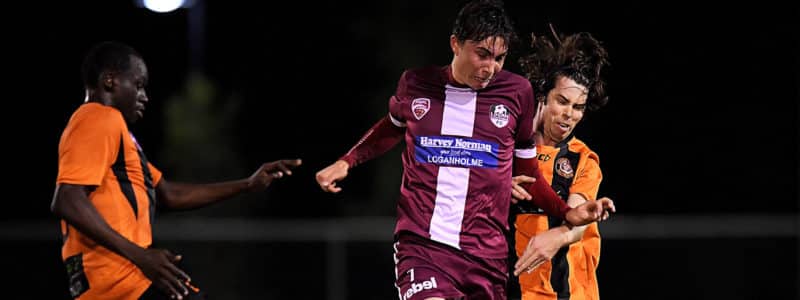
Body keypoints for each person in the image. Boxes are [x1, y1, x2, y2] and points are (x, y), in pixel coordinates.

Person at [315, 1, 614, 299]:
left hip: (493, 265)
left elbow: (531, 175)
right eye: (482, 54)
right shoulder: (417, 85)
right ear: (455, 44)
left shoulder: (521, 102)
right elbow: (393, 124)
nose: (489, 68)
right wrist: (347, 161)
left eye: (499, 58)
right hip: (425, 248)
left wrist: (566, 218)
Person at [51, 41, 302, 300]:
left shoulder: (119, 136)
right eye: (138, 85)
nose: (144, 95)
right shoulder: (99, 117)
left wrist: (248, 184)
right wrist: (141, 255)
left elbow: (168, 194)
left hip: (121, 281)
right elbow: (67, 199)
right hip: (122, 280)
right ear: (110, 80)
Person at [508, 27, 611, 300]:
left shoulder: (582, 160)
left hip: (568, 293)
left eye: (578, 107)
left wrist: (559, 237)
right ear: (543, 97)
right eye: (562, 101)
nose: (569, 114)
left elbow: (577, 216)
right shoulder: (507, 149)